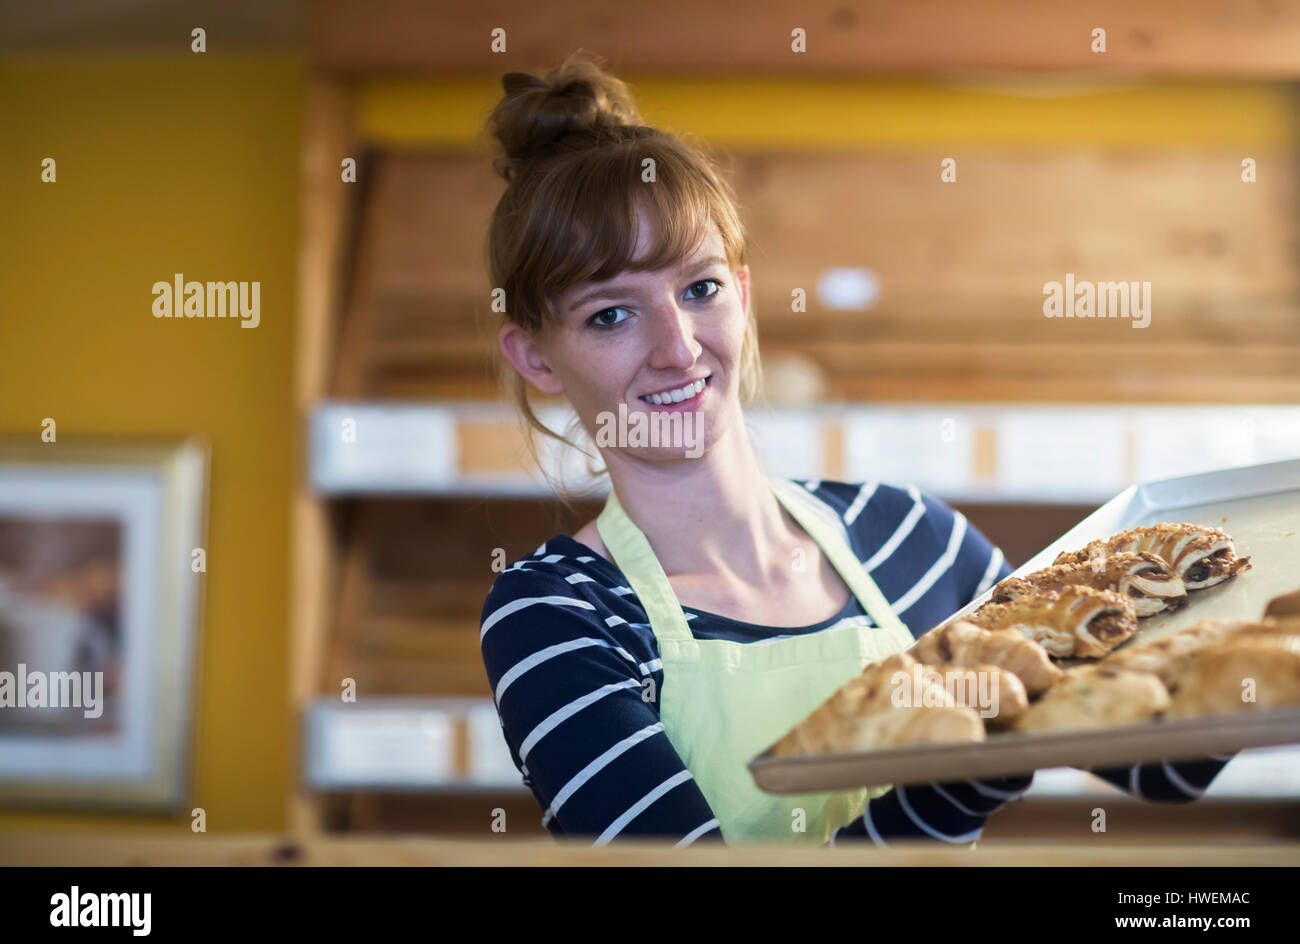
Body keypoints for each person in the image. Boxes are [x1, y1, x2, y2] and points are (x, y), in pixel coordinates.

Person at [478, 51, 1234, 845]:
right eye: (610, 315)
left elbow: (1155, 755)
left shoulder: (914, 539)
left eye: (698, 289)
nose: (676, 347)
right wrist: (942, 795)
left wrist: (1247, 652)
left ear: (741, 294)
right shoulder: (560, 614)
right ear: (535, 357)